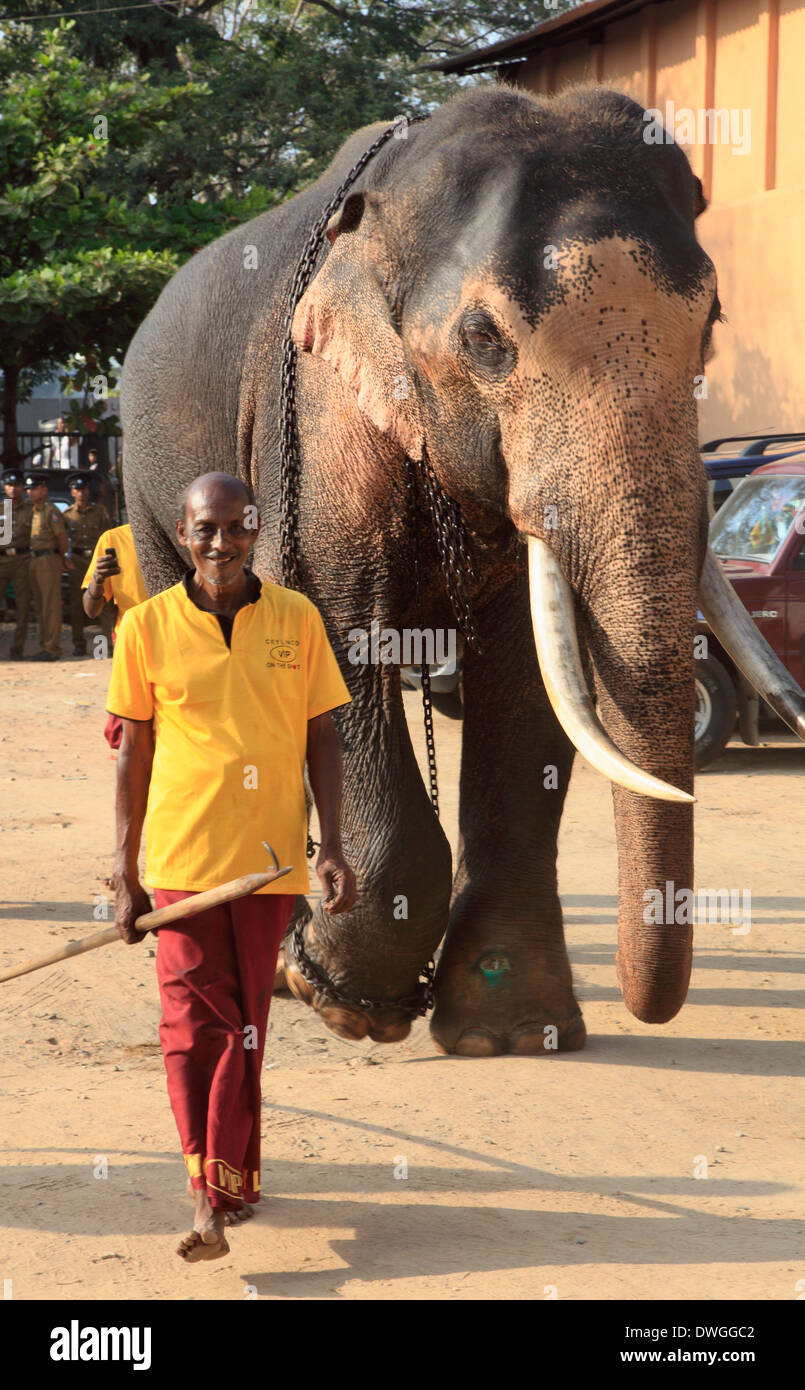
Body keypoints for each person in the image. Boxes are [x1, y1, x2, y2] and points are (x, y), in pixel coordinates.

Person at [107, 472, 356, 1262]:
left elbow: (323, 734)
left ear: (257, 530)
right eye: (205, 528)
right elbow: (132, 751)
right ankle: (206, 1197)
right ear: (182, 534)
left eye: (236, 527)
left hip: (270, 864)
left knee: (246, 1026)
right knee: (193, 1029)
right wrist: (124, 869)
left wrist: (337, 846)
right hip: (182, 864)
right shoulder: (144, 627)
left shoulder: (297, 619)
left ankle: (236, 1177)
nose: (221, 543)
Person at [82, 522, 148, 745]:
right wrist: (97, 581)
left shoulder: (187, 533)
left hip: (177, 636)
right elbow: (91, 610)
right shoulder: (113, 539)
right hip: (130, 639)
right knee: (125, 726)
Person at [25, 471, 71, 661]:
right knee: (40, 606)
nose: (30, 492)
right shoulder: (33, 510)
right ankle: (45, 645)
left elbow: (62, 539)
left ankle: (52, 648)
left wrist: (61, 558)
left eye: (34, 488)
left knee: (51, 605)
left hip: (48, 560)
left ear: (44, 489)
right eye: (28, 489)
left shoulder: (51, 511)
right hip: (34, 561)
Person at [62, 471, 110, 656]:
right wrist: (65, 557)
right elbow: (61, 538)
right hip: (77, 560)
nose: (80, 493)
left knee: (102, 600)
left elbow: (107, 536)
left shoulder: (99, 512)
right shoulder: (67, 515)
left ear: (88, 491)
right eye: (77, 489)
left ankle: (106, 645)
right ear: (72, 492)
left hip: (96, 560)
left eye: (83, 489)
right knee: (76, 604)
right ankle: (79, 644)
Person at [0, 469, 34, 659]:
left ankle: (17, 648)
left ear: (22, 487)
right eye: (10, 485)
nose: (13, 489)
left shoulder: (30, 510)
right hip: (1, 561)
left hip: (22, 561)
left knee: (22, 606)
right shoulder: (0, 508)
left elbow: (37, 535)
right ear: (4, 487)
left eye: (17, 485)